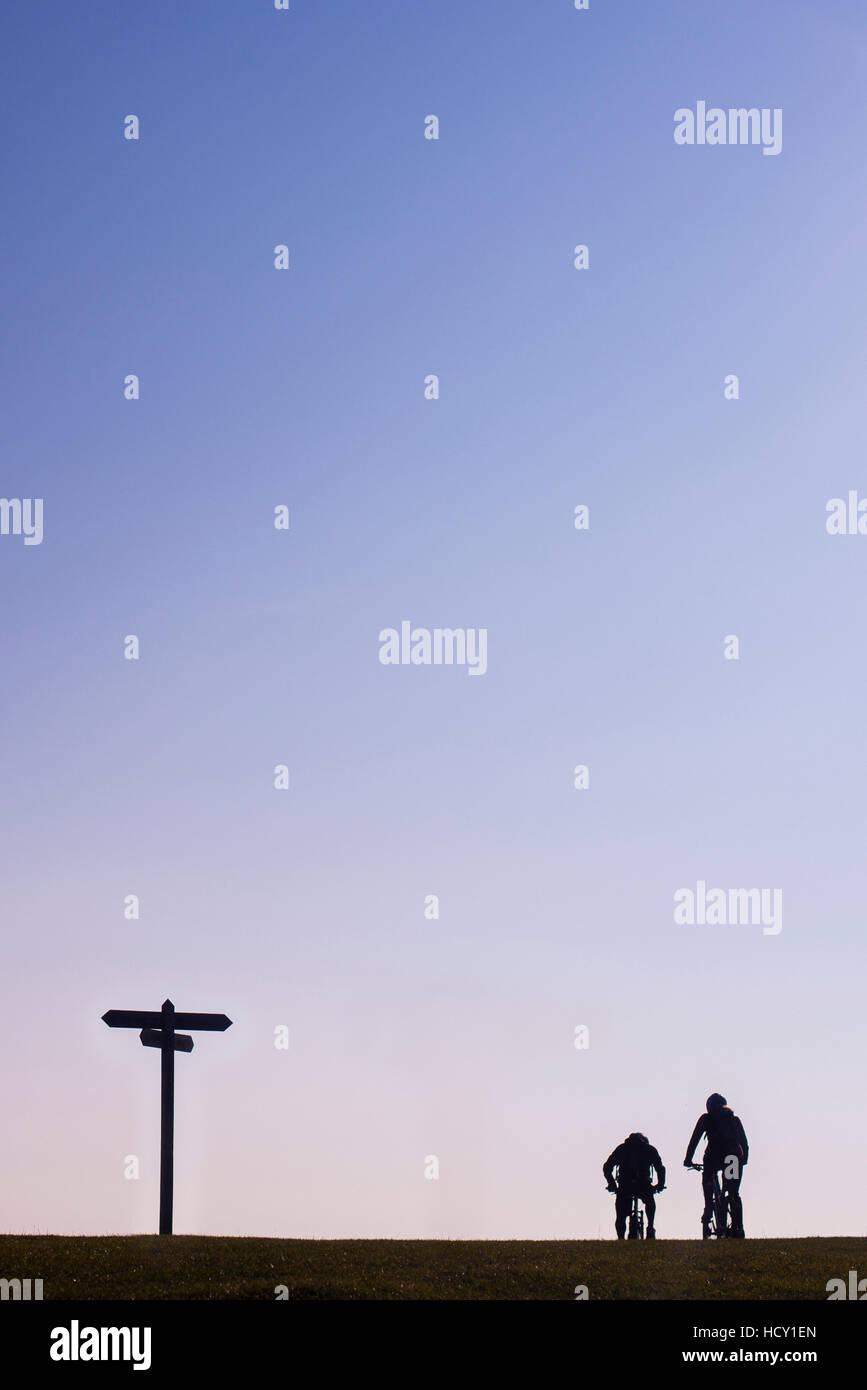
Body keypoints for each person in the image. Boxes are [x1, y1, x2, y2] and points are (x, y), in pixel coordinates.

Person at [684, 1093, 748, 1238]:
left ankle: (708, 1207)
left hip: (714, 1156)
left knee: (708, 1178)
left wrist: (688, 1159)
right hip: (733, 1157)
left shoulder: (706, 1119)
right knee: (733, 1192)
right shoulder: (734, 1119)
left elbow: (694, 1140)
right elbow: (744, 1142)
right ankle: (739, 1227)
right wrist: (743, 1159)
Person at [603, 1132, 666, 1239]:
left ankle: (620, 1236)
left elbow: (607, 1167)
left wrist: (612, 1184)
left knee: (621, 1213)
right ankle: (650, 1227)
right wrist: (660, 1185)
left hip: (624, 1185)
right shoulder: (649, 1149)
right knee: (649, 1202)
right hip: (643, 1184)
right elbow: (660, 1169)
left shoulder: (622, 1149)